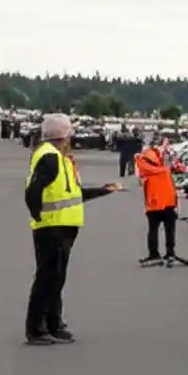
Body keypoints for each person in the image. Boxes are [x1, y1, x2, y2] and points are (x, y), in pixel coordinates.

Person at [24, 114, 122, 345]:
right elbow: (33, 190)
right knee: (47, 278)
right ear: (63, 136)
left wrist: (101, 191)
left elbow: (72, 194)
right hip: (52, 226)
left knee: (57, 278)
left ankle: (53, 323)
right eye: (69, 134)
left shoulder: (61, 158)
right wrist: (37, 214)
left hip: (63, 225)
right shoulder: (49, 158)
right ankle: (36, 328)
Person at [136, 138, 182, 264]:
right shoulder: (149, 158)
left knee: (163, 228)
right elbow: (146, 170)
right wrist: (167, 166)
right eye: (166, 144)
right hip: (156, 198)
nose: (168, 147)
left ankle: (164, 253)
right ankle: (161, 253)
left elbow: (180, 168)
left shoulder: (164, 158)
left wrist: (174, 164)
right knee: (158, 228)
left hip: (162, 199)